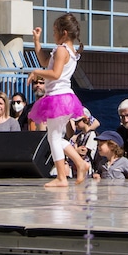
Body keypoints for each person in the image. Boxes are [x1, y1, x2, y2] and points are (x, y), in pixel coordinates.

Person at [27, 14, 90, 187]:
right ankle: (80, 163)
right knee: (54, 137)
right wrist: (36, 42)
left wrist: (36, 72)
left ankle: (62, 177)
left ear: (63, 33)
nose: (53, 35)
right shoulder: (68, 51)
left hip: (58, 97)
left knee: (53, 138)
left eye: (54, 32)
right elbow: (46, 62)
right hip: (62, 97)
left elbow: (54, 73)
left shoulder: (62, 50)